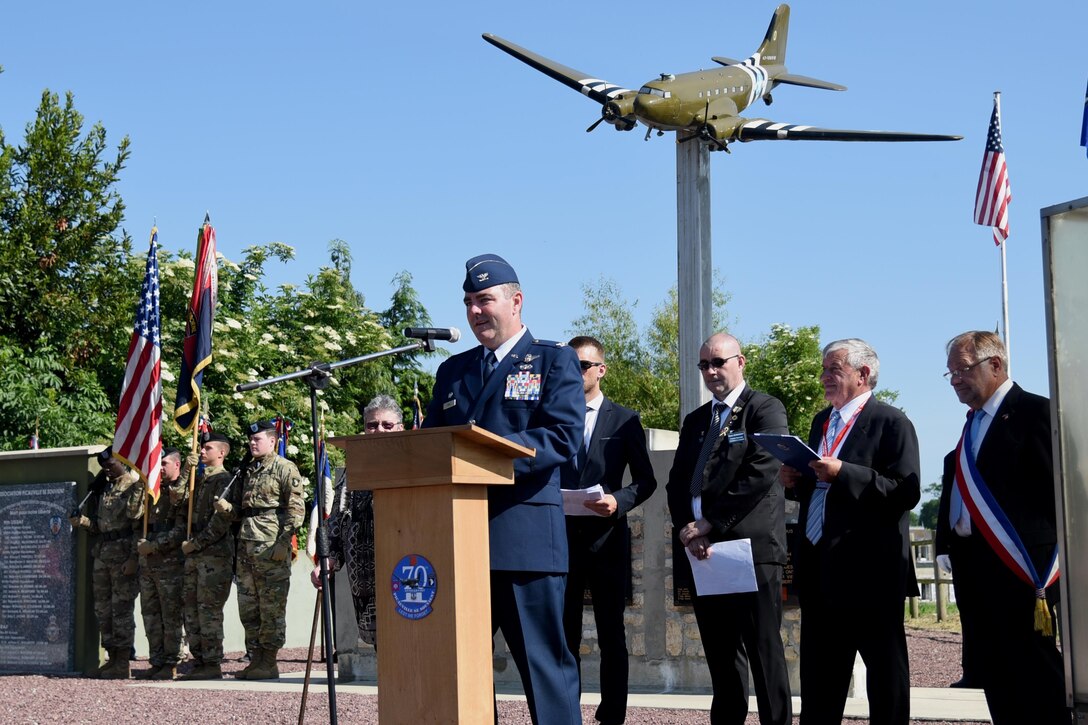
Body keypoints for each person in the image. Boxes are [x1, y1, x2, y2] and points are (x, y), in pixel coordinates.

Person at [422, 253, 583, 724]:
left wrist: (483, 453)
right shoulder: (453, 372)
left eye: (485, 299)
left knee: (544, 670)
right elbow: (434, 445)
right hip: (457, 544)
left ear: (516, 301)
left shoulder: (554, 360)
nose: (475, 311)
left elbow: (561, 437)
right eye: (469, 302)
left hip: (524, 543)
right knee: (462, 670)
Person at [780, 338, 920, 725]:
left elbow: (905, 491)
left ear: (863, 374)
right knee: (820, 680)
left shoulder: (892, 422)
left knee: (886, 681)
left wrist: (845, 472)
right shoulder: (821, 422)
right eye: (823, 369)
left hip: (870, 573)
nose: (824, 378)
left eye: (833, 370)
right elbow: (820, 489)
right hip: (821, 570)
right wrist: (794, 480)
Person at [934, 331, 1071, 725]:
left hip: (1022, 568)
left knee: (1037, 676)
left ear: (995, 365)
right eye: (951, 374)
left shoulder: (1035, 413)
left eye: (962, 370)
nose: (956, 380)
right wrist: (946, 542)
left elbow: (1055, 494)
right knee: (997, 677)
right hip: (977, 569)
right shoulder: (973, 423)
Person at [665, 332, 792, 725]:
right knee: (721, 656)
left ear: (741, 361)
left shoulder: (765, 409)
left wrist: (711, 523)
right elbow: (677, 482)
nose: (711, 371)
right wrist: (690, 529)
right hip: (706, 553)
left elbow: (759, 473)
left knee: (763, 652)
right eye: (704, 364)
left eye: (718, 362)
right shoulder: (697, 420)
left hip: (750, 553)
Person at [562, 335, 657, 725]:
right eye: (570, 366)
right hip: (562, 540)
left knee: (611, 635)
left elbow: (647, 481)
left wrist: (619, 501)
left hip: (607, 540)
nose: (576, 372)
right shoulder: (553, 416)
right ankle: (566, 712)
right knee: (564, 636)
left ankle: (613, 714)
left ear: (601, 369)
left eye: (583, 365)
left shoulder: (625, 419)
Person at [214, 420, 306, 680]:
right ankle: (255, 659)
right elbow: (244, 512)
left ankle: (269, 661)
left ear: (272, 441)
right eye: (251, 440)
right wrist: (228, 510)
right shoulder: (247, 471)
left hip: (270, 548)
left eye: (258, 439)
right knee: (248, 606)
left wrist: (283, 541)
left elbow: (296, 510)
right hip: (246, 546)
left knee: (271, 606)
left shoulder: (284, 468)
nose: (253, 443)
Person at [311, 394, 404, 649]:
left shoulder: (413, 464)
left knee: (408, 645)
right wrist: (327, 557)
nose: (378, 430)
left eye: (387, 425)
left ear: (401, 429)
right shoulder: (356, 467)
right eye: (372, 425)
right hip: (364, 579)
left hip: (404, 572)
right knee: (382, 650)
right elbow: (338, 518)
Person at [69, 447, 146, 679]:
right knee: (103, 609)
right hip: (103, 553)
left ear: (123, 462)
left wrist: (134, 558)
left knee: (121, 609)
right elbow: (101, 527)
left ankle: (123, 661)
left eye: (111, 465)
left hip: (123, 554)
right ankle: (112, 658)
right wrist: (82, 521)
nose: (107, 470)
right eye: (104, 467)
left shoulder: (134, 486)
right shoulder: (106, 487)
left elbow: (137, 526)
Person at [179, 432, 241, 680]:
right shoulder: (199, 479)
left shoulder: (227, 480)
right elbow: (178, 501)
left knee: (208, 611)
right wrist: (185, 472)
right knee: (191, 610)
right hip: (194, 555)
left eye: (208, 448)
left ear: (222, 453)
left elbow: (221, 523)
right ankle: (200, 660)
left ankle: (212, 662)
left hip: (214, 556)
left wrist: (196, 544)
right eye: (202, 447)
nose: (202, 451)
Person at [134, 447, 189, 680]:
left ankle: (171, 661)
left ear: (177, 465)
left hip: (170, 563)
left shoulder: (183, 492)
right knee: (151, 614)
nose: (160, 468)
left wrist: (155, 546)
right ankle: (156, 660)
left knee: (171, 615)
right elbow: (135, 516)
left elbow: (180, 531)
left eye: (164, 463)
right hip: (149, 563)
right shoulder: (152, 490)